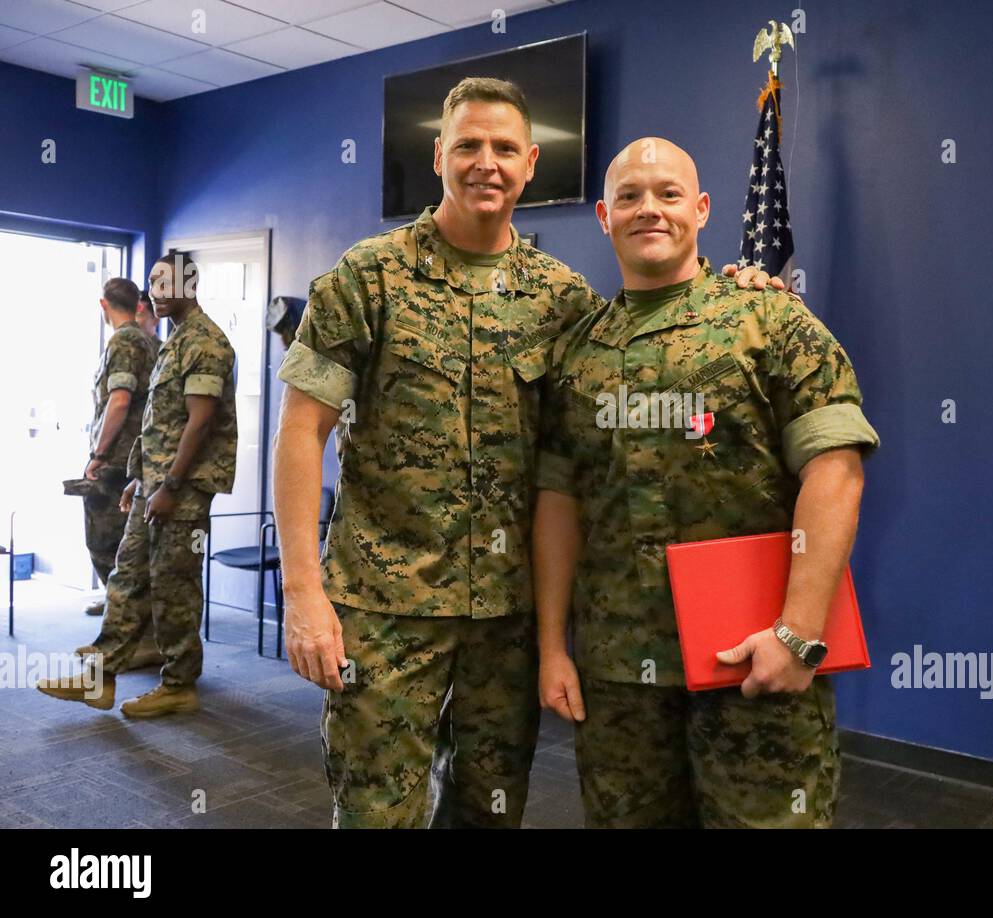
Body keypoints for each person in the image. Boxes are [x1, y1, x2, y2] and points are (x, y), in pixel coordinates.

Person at [274, 78, 778, 828]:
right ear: (439, 153)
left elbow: (658, 323)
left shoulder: (561, 298)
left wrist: (742, 287)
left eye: (504, 148)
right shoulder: (369, 277)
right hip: (385, 607)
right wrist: (303, 595)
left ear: (531, 162)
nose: (487, 163)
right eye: (468, 145)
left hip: (507, 616)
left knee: (491, 806)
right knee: (378, 807)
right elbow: (300, 433)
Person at [532, 138, 881, 828]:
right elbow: (558, 502)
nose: (648, 209)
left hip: (755, 661)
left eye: (667, 193)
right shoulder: (576, 353)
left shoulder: (771, 321)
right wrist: (551, 647)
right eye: (629, 196)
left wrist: (800, 636)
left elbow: (835, 471)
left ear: (701, 208)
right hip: (620, 675)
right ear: (604, 215)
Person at [38, 251, 239, 717]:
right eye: (151, 281)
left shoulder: (207, 342)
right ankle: (100, 678)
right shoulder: (171, 341)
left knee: (174, 586)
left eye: (163, 281)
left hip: (182, 490)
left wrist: (169, 484)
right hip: (154, 484)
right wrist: (137, 478)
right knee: (126, 579)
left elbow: (199, 423)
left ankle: (179, 682)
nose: (154, 291)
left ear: (188, 283)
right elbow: (156, 421)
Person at [79, 278, 157, 626]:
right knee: (132, 545)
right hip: (139, 456)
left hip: (118, 461)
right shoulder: (152, 342)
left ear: (103, 305)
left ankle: (127, 624)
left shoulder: (124, 341)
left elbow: (120, 400)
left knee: (106, 542)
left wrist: (98, 454)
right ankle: (126, 614)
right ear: (139, 306)